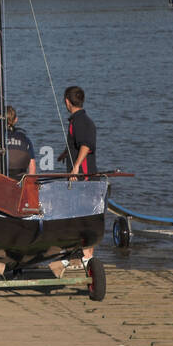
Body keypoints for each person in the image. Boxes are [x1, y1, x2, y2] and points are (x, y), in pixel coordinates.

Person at [51, 85, 98, 276]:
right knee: (76, 213)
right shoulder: (76, 121)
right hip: (78, 174)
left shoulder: (81, 121)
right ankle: (80, 253)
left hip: (84, 177)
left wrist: (76, 166)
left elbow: (86, 145)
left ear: (67, 102)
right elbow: (77, 144)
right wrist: (65, 154)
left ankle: (87, 257)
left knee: (84, 213)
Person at [5, 105, 37, 179]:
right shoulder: (25, 139)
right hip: (20, 180)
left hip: (0, 179)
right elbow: (32, 169)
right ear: (16, 119)